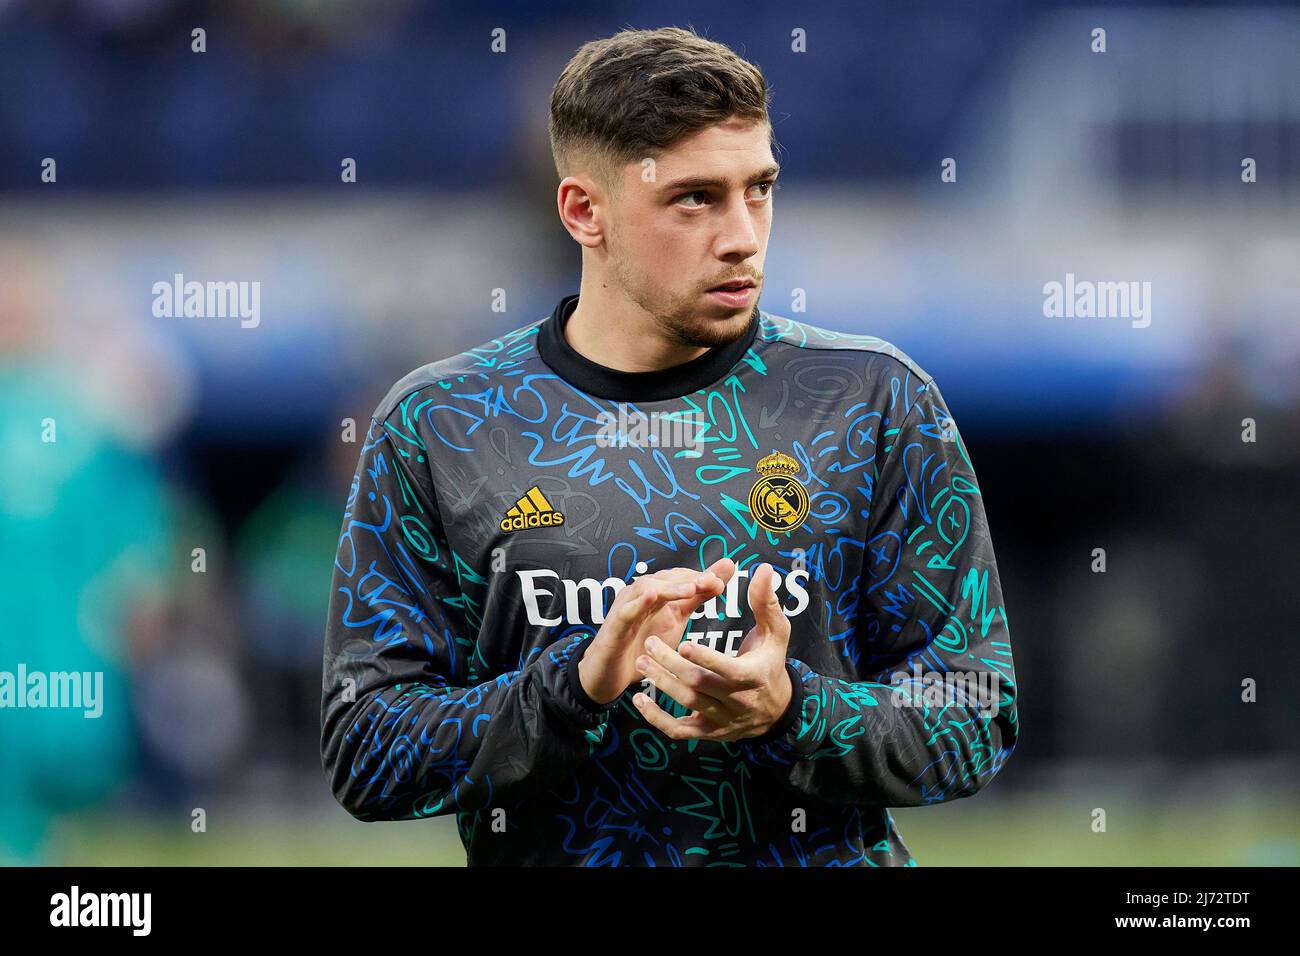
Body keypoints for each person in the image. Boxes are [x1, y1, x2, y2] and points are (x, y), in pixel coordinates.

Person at [320, 25, 1018, 866]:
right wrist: (572, 692)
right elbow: (366, 751)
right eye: (694, 199)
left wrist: (793, 711)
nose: (743, 237)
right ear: (585, 211)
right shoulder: (443, 425)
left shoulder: (873, 402)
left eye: (759, 189)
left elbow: (977, 713)